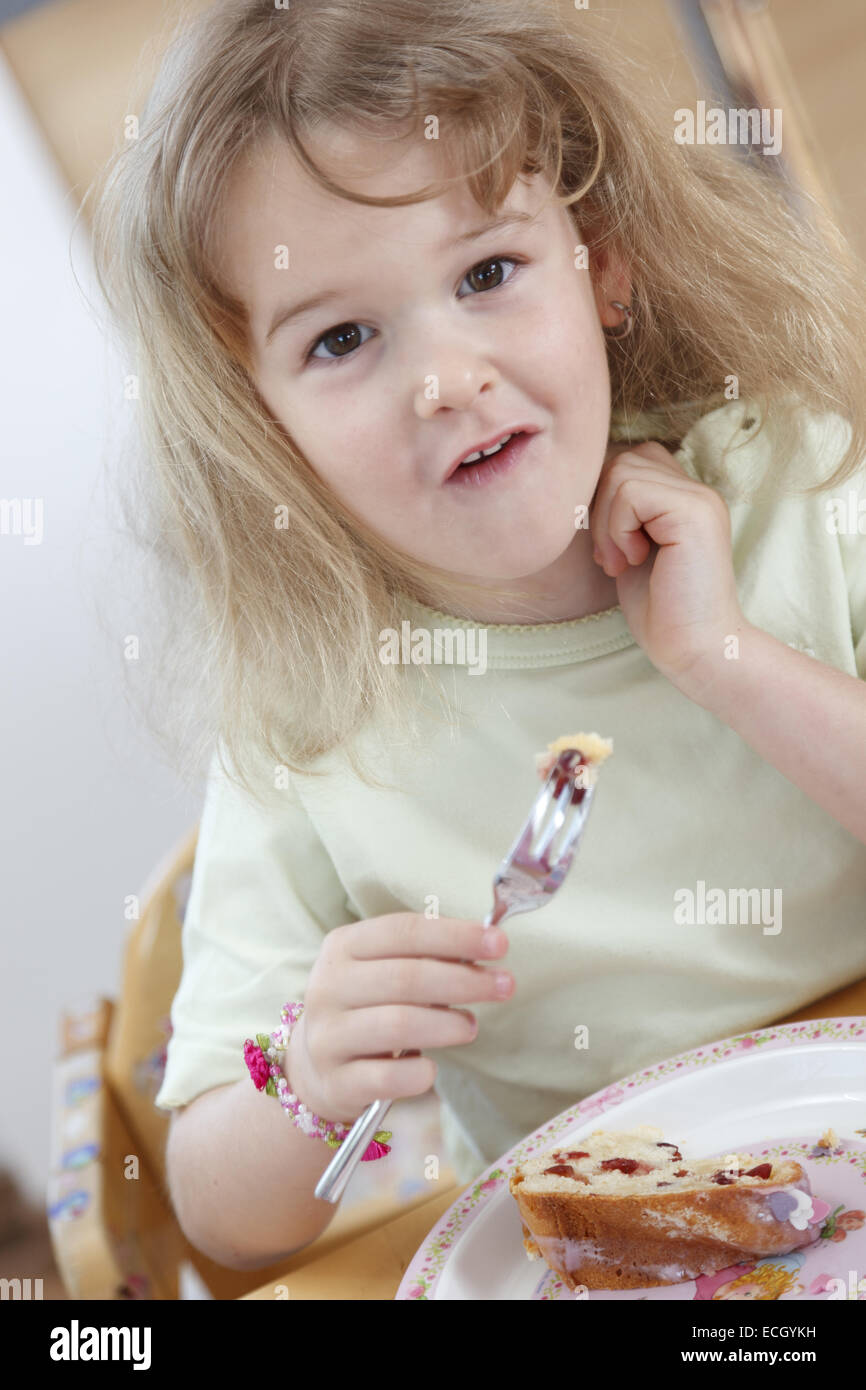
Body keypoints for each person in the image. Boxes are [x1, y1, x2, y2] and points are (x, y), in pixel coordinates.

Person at [87, 0, 866, 1272]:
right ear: (261, 425)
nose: (444, 376)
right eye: (340, 337)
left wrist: (725, 658)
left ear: (598, 262)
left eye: (486, 273)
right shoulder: (312, 721)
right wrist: (305, 1076)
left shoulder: (791, 486)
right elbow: (223, 1219)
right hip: (630, 1251)